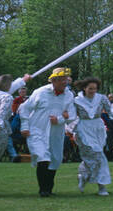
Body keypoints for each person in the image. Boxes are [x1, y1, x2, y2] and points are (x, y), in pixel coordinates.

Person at [21, 68, 77, 197]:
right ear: (54, 80)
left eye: (66, 79)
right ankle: (43, 190)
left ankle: (49, 188)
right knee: (42, 157)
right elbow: (24, 108)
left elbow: (72, 115)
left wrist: (60, 119)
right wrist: (24, 126)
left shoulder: (69, 95)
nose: (65, 82)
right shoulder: (40, 92)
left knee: (54, 159)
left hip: (55, 133)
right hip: (37, 130)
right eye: (62, 79)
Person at [73, 77, 112, 195]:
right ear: (84, 88)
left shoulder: (102, 99)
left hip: (98, 128)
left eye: (95, 88)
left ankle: (83, 175)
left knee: (96, 155)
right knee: (97, 154)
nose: (93, 91)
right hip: (83, 128)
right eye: (90, 88)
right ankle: (102, 187)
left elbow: (112, 112)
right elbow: (70, 115)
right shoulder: (76, 100)